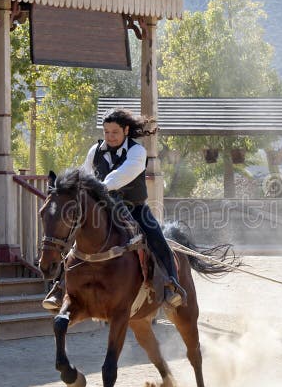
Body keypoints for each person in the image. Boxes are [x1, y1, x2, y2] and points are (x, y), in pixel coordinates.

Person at [42, 109, 187, 310]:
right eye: (106, 132)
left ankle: (171, 285)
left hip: (133, 209)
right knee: (70, 238)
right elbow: (84, 174)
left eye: (114, 132)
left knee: (157, 238)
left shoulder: (138, 152)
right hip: (102, 211)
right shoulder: (95, 151)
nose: (110, 137)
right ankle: (60, 289)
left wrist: (98, 187)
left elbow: (122, 175)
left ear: (126, 130)